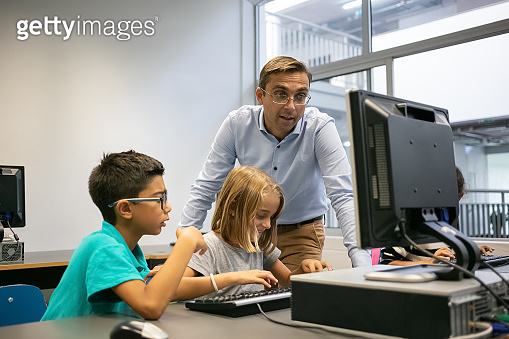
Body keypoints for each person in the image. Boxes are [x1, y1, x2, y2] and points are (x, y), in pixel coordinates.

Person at [179, 56, 371, 270]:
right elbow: (207, 185)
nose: (291, 106)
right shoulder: (237, 124)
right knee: (243, 293)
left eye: (300, 96)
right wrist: (183, 247)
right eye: (281, 95)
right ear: (260, 96)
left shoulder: (319, 127)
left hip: (301, 233)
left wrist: (362, 268)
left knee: (294, 296)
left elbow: (343, 195)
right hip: (248, 230)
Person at [41, 150, 207, 321]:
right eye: (159, 199)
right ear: (126, 209)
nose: (168, 207)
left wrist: (231, 278)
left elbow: (162, 289)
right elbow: (151, 305)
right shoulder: (103, 246)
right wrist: (186, 242)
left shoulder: (131, 250)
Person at [170, 166, 332, 299]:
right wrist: (233, 278)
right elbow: (173, 289)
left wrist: (302, 271)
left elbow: (287, 281)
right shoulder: (207, 247)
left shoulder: (260, 246)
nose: (268, 225)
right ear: (233, 208)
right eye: (261, 216)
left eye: (272, 217)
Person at [379, 166, 494, 266]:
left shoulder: (449, 217)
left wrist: (468, 251)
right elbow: (387, 263)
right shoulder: (408, 220)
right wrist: (430, 262)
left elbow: (445, 254)